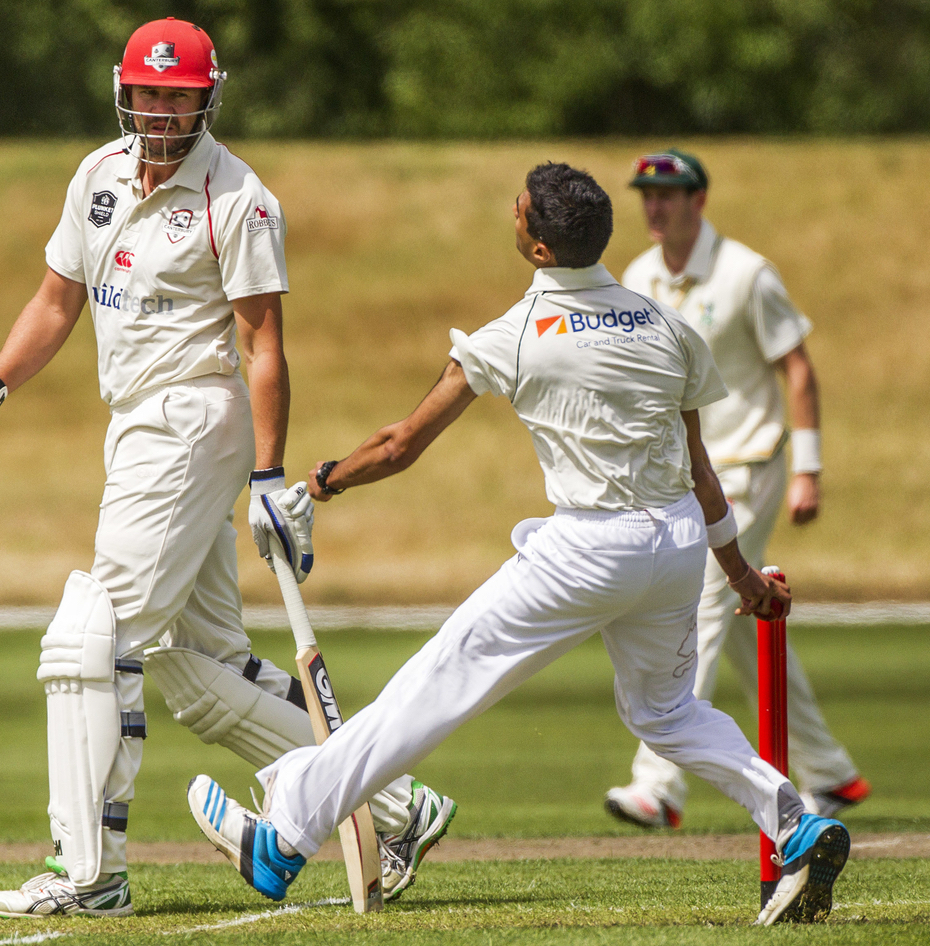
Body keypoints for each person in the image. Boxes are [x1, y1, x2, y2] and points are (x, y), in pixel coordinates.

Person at [183, 163, 850, 925]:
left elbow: (399, 445)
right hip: (674, 547)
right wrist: (740, 577)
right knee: (666, 713)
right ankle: (794, 823)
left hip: (586, 549)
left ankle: (283, 836)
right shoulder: (666, 326)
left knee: (432, 687)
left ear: (537, 248)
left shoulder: (516, 333)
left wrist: (320, 483)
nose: (512, 210)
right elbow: (700, 474)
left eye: (518, 209)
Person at [0, 17, 453, 918]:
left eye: (178, 97)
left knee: (92, 639)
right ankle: (398, 806)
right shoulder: (97, 175)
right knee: (199, 667)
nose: (161, 112)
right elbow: (56, 301)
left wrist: (267, 478)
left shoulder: (238, 197)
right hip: (135, 422)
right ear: (123, 91)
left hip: (193, 420)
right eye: (148, 93)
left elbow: (262, 347)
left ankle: (90, 874)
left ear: (207, 99)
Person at [604, 149, 869, 831]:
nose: (655, 206)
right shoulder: (637, 276)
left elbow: (797, 369)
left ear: (698, 199)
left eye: (669, 194)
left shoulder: (746, 272)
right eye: (646, 195)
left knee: (699, 602)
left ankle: (658, 785)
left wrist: (808, 469)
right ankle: (831, 772)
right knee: (748, 613)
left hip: (749, 462)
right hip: (685, 474)